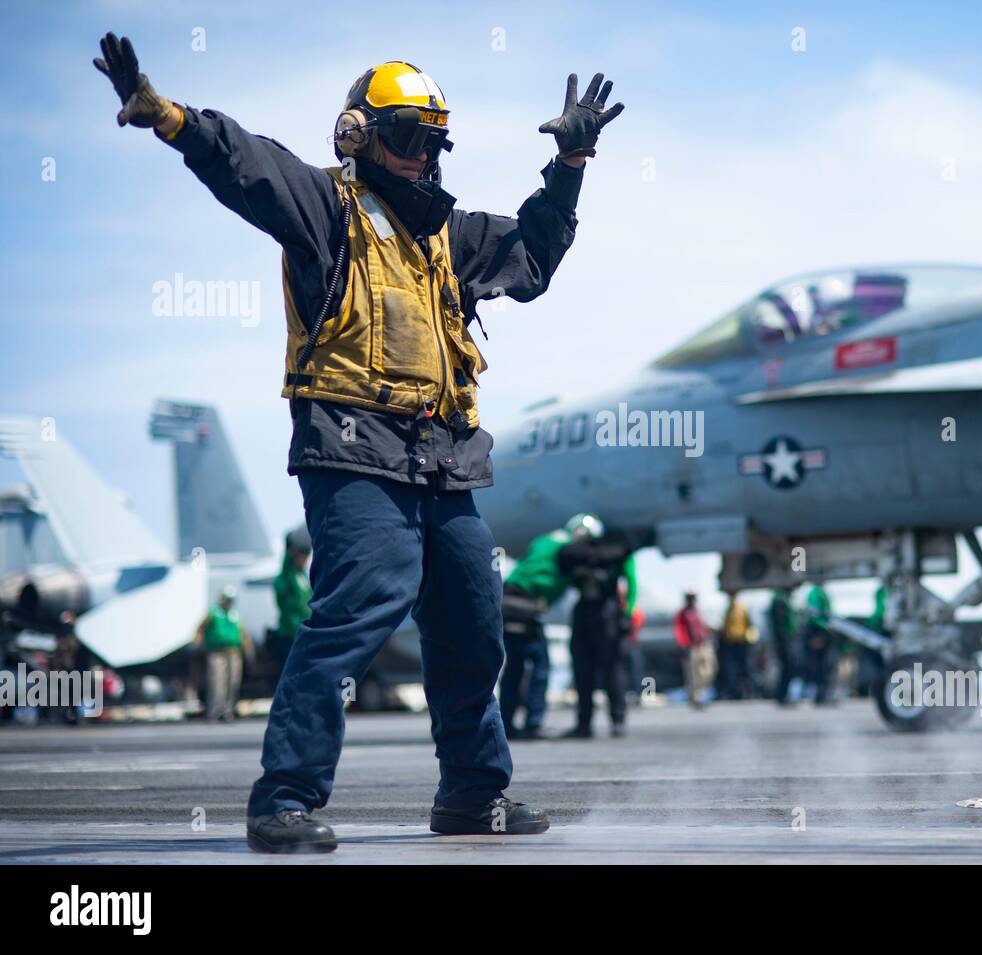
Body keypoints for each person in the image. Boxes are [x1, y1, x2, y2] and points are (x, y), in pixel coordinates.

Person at [95, 32, 623, 852]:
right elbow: (246, 166)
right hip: (353, 449)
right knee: (358, 607)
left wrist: (571, 168)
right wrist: (170, 118)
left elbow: (535, 255)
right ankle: (285, 799)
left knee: (474, 620)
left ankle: (473, 794)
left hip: (443, 458)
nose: (423, 158)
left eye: (434, 141)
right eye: (409, 137)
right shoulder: (327, 208)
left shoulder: (453, 237)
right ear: (358, 135)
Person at [498, 517, 585, 740]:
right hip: (526, 607)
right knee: (540, 665)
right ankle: (532, 723)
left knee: (515, 666)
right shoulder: (570, 550)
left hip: (507, 602)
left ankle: (506, 723)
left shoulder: (545, 541)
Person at [556, 516, 635, 738]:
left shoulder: (615, 549)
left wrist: (628, 613)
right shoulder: (572, 553)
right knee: (582, 669)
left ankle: (617, 719)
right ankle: (584, 722)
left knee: (612, 668)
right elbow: (564, 559)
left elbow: (631, 579)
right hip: (584, 610)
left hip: (606, 610)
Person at [193, 586, 252, 722]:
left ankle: (228, 711)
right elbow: (200, 629)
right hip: (217, 653)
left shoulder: (235, 615)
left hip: (234, 653)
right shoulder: (213, 613)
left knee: (233, 683)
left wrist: (248, 648)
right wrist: (198, 643)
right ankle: (214, 711)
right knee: (217, 683)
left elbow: (243, 633)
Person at [269, 529, 312, 667]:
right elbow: (285, 574)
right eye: (302, 556)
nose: (304, 560)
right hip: (289, 635)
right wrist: (289, 547)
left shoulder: (303, 577)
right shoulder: (286, 577)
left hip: (305, 635)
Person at [674, 591, 715, 708]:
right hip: (691, 647)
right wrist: (683, 644)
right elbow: (679, 630)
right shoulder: (683, 613)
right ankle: (696, 697)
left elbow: (704, 626)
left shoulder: (698, 611)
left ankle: (702, 691)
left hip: (703, 645)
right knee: (693, 674)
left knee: (707, 670)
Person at [802, 582, 837, 705]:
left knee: (822, 666)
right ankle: (820, 695)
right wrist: (824, 629)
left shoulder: (818, 593)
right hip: (817, 631)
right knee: (820, 666)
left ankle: (821, 694)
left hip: (820, 631)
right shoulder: (816, 594)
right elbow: (815, 615)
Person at [718, 594, 756, 700]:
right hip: (730, 643)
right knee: (731, 669)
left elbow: (750, 624)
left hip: (742, 642)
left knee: (745, 668)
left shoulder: (742, 608)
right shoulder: (728, 609)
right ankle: (735, 692)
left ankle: (749, 691)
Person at [768, 588, 797, 705]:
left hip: (784, 640)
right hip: (783, 641)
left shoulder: (781, 598)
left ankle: (783, 694)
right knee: (787, 667)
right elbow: (781, 625)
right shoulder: (779, 599)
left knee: (787, 667)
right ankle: (781, 694)